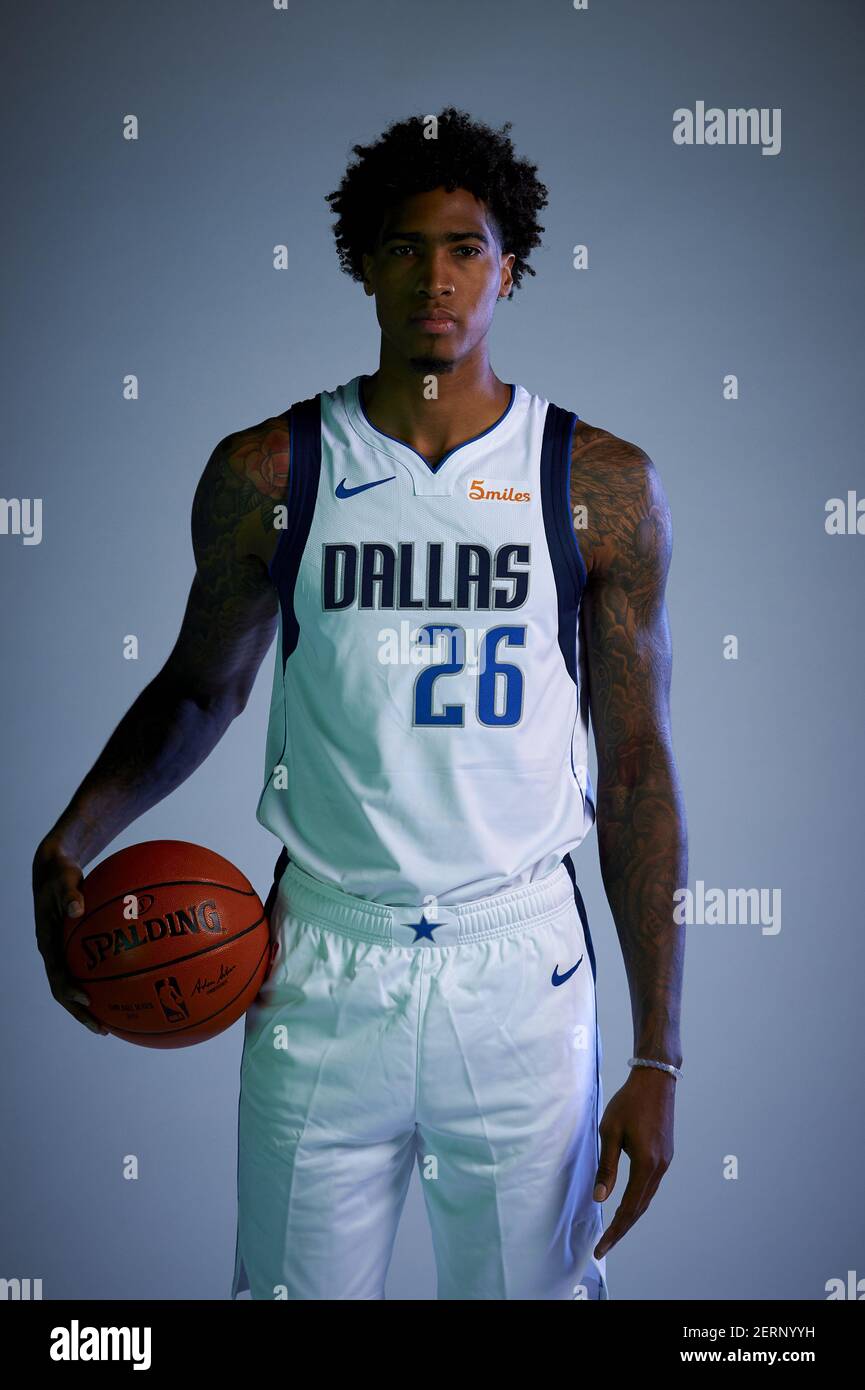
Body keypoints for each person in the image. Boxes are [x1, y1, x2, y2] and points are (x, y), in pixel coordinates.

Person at [32, 106, 687, 1301]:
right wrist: (73, 836)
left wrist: (658, 1051)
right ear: (362, 264)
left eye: (463, 247)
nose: (433, 278)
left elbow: (633, 767)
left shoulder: (596, 484)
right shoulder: (273, 472)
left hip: (521, 966)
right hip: (322, 961)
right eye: (402, 247)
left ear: (510, 267)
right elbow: (197, 691)